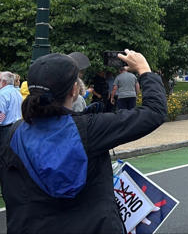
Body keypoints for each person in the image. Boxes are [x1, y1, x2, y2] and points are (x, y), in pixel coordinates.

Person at [0, 50, 166, 233]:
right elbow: (154, 112)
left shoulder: (14, 134)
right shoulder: (89, 128)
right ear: (74, 90)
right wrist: (144, 69)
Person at [0, 71, 23, 144]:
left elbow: (1, 114)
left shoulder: (2, 94)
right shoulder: (18, 93)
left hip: (5, 130)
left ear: (4, 82)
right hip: (18, 128)